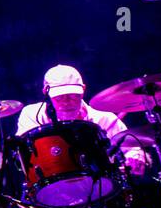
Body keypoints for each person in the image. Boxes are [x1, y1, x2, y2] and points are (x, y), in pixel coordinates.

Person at [15, 64, 147, 176]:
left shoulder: (103, 118)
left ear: (83, 89)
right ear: (46, 92)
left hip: (98, 187)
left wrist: (136, 156)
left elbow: (132, 147)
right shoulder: (32, 114)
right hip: (53, 186)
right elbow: (24, 154)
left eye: (72, 95)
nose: (67, 102)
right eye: (59, 97)